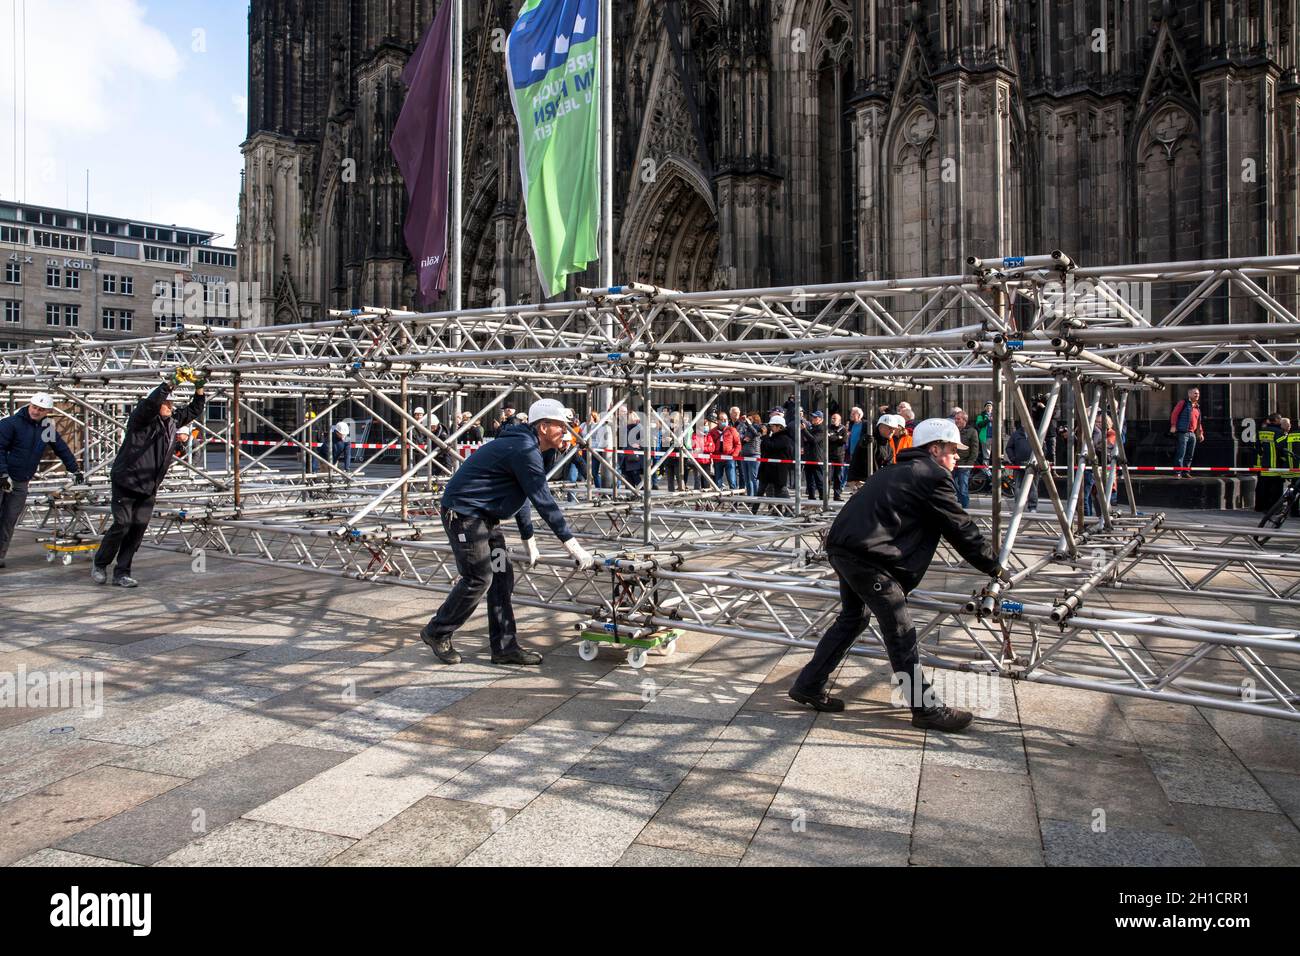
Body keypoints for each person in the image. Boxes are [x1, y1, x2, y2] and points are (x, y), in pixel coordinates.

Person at [788, 418, 1005, 731]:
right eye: (952, 450)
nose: (957, 456)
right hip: (868, 557)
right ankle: (925, 709)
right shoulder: (931, 475)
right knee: (900, 629)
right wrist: (992, 564)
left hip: (845, 549)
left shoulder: (896, 469)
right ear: (935, 449)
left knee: (854, 618)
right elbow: (959, 527)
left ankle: (809, 684)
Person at [421, 398, 596, 666]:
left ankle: (504, 648)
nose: (567, 431)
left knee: (502, 575)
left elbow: (523, 494)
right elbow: (543, 499)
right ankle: (437, 631)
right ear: (544, 426)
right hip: (464, 515)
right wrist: (572, 545)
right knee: (479, 577)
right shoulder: (523, 449)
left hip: (487, 517)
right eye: (562, 426)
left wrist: (528, 537)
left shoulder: (535, 449)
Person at [92, 367, 206, 587]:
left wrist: (199, 389)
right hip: (126, 481)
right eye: (166, 403)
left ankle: (122, 572)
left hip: (148, 485)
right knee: (122, 524)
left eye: (171, 404)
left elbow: (194, 410)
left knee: (137, 529)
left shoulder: (171, 422)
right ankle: (100, 563)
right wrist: (170, 384)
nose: (169, 407)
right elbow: (150, 404)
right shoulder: (141, 421)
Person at [0, 392, 82, 569]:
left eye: (41, 409)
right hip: (3, 478)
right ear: (29, 405)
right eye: (35, 407)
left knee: (9, 519)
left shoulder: (46, 428)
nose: (36, 411)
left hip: (20, 481)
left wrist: (74, 469)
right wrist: (3, 475)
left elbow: (61, 448)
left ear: (47, 412)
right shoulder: (10, 424)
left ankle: (0, 556)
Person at [752, 414, 794, 513]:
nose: (770, 428)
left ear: (779, 427)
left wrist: (765, 436)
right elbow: (765, 448)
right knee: (762, 491)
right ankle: (757, 511)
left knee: (781, 491)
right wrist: (765, 436)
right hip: (767, 470)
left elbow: (771, 446)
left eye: (772, 426)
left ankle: (789, 511)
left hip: (778, 471)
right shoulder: (774, 436)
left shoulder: (785, 438)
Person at [1169, 387, 1205, 478]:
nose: (1197, 395)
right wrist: (1173, 425)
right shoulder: (1183, 403)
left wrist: (1200, 433)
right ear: (1189, 394)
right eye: (1195, 393)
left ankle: (1186, 471)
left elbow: (1198, 422)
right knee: (1181, 453)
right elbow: (1174, 413)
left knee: (1190, 454)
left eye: (1198, 394)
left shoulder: (1197, 407)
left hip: (1192, 434)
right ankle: (1178, 472)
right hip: (1183, 432)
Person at [1004, 420, 1038, 512]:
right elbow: (1009, 447)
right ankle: (1019, 506)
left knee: (1032, 486)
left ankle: (1032, 506)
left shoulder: (1036, 433)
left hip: (1033, 465)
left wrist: (1039, 459)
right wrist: (1013, 458)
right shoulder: (1016, 434)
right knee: (1018, 486)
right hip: (1018, 464)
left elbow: (1042, 447)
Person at [1255, 411, 1285, 513]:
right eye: (1280, 419)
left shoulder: (1262, 431)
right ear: (1276, 420)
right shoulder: (1279, 432)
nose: (1281, 421)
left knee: (1264, 487)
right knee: (1275, 490)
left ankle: (1262, 507)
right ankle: (1274, 508)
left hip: (1264, 464)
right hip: (1275, 465)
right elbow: (1282, 448)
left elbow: (1258, 447)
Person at [953, 409, 979, 508]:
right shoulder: (953, 430)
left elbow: (975, 449)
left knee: (963, 487)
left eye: (958, 419)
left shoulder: (972, 432)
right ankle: (956, 505)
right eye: (955, 419)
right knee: (953, 486)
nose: (956, 421)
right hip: (953, 463)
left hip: (964, 463)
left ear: (964, 420)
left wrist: (969, 464)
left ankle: (965, 507)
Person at [709, 413, 742, 489]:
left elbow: (738, 444)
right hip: (717, 458)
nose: (724, 421)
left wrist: (734, 456)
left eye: (726, 419)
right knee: (718, 481)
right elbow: (710, 444)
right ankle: (719, 499)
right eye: (722, 419)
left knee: (732, 480)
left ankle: (734, 498)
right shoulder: (712, 431)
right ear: (717, 421)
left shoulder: (732, 430)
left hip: (729, 458)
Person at [737, 411, 763, 496]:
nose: (747, 420)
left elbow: (756, 433)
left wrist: (749, 424)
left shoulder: (758, 426)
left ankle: (756, 497)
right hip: (744, 454)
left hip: (754, 454)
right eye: (747, 418)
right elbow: (739, 437)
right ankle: (749, 497)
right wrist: (741, 423)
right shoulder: (746, 428)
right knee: (746, 478)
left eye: (750, 418)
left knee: (753, 478)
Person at [802, 410, 826, 499]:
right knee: (809, 480)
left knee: (818, 479)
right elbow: (807, 439)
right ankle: (811, 498)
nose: (813, 419)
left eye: (815, 417)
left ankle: (823, 498)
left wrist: (804, 430)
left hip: (817, 458)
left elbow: (814, 440)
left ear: (821, 419)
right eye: (813, 417)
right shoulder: (811, 428)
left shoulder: (822, 429)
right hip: (808, 457)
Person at [826, 412, 848, 500]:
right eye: (832, 418)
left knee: (838, 476)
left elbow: (844, 441)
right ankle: (826, 495)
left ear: (839, 420)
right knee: (828, 476)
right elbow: (828, 438)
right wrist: (837, 437)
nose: (833, 420)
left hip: (839, 455)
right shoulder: (828, 428)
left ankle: (837, 495)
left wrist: (833, 437)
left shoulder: (843, 429)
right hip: (829, 455)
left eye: (835, 418)